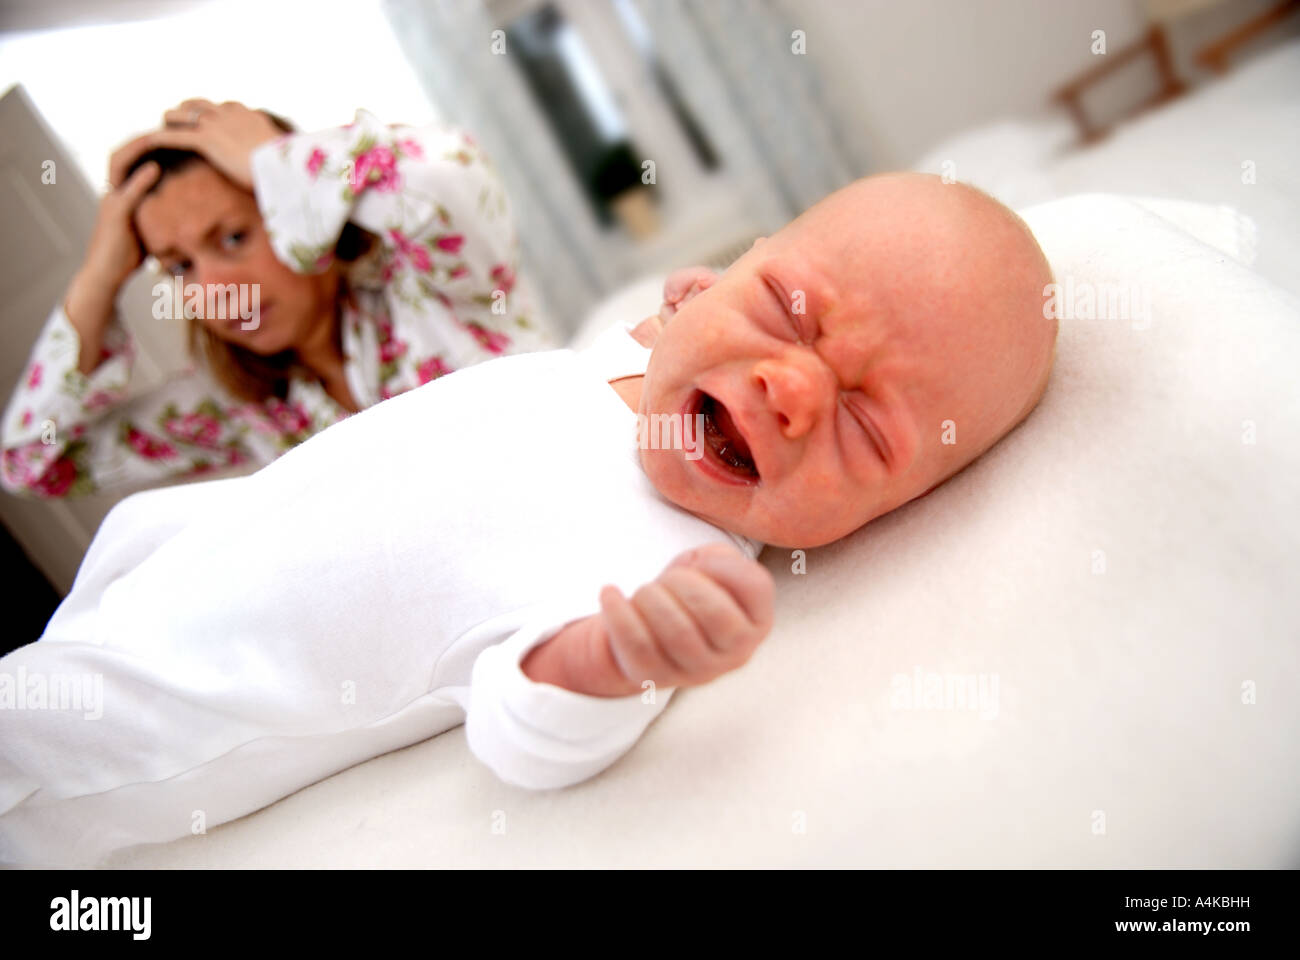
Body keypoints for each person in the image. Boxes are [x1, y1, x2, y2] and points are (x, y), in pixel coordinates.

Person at [0, 173, 1058, 865]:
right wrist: (694, 325)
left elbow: (527, 724)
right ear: (705, 289)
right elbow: (29, 456)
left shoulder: (663, 565)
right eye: (783, 310)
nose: (790, 386)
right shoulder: (630, 360)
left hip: (157, 707)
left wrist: (607, 662)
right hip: (154, 566)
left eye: (867, 430)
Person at [0, 99, 557, 498]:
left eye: (234, 237)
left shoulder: (434, 282)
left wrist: (276, 157)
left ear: (298, 208)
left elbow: (454, 172)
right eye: (180, 267)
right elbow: (32, 465)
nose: (215, 292)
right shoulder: (236, 410)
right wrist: (99, 276)